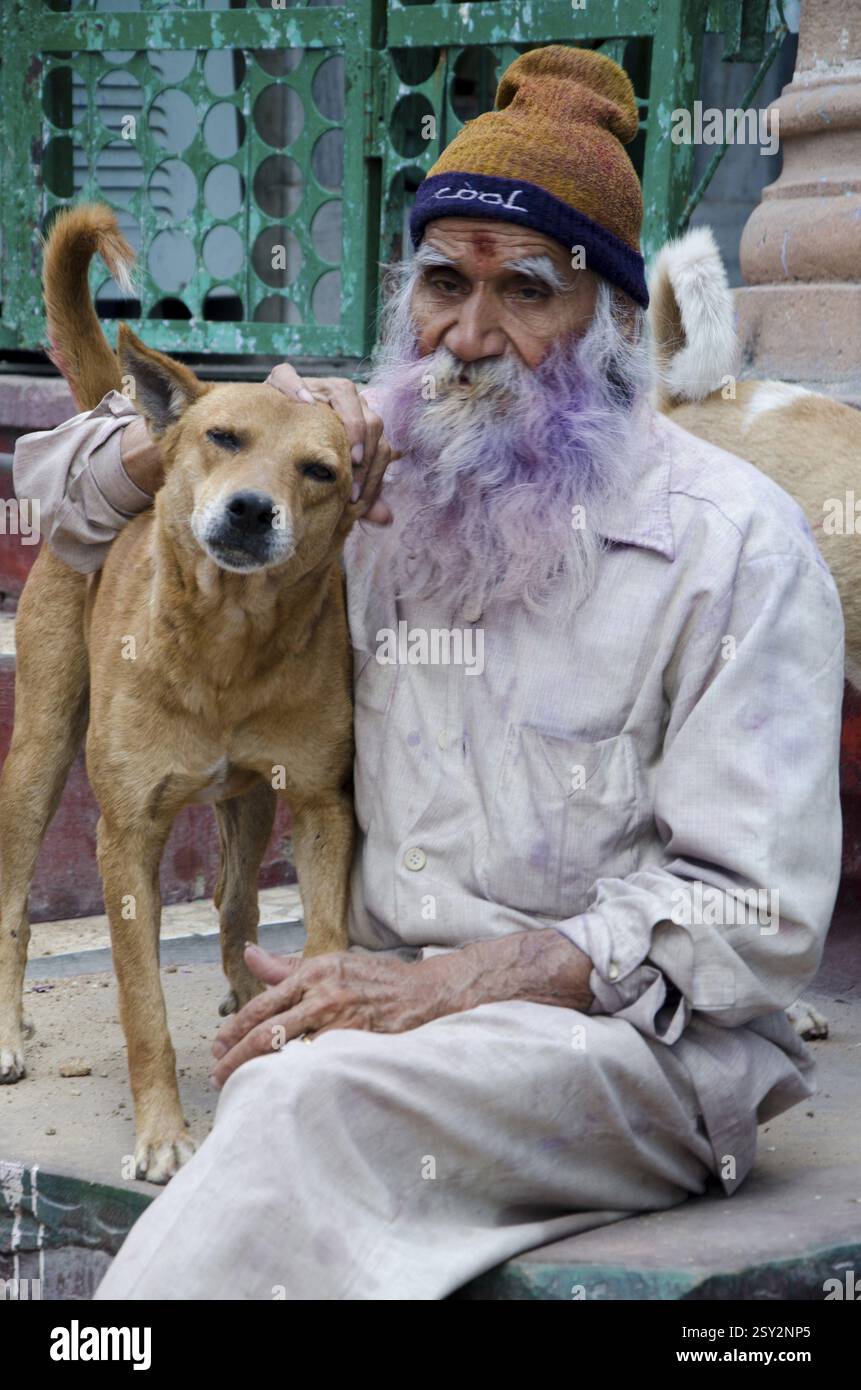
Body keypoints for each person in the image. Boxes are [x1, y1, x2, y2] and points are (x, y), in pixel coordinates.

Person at [12, 46, 844, 1300]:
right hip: (381, 1020)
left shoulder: (733, 548)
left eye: (527, 292)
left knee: (299, 1104)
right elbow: (64, 506)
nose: (470, 335)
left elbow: (756, 919)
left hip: (630, 1050)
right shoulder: (365, 481)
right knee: (301, 1087)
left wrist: (449, 984)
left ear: (615, 320)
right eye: (443, 285)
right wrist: (198, 448)